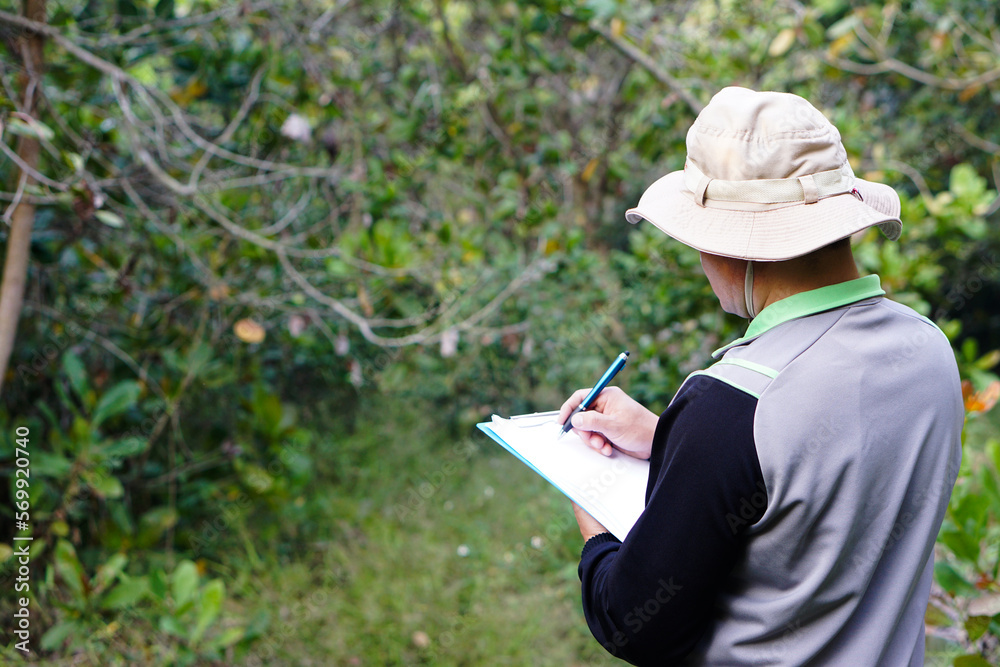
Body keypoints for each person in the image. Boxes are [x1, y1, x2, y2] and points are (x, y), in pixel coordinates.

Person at [556, 87, 963, 666]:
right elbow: (814, 465)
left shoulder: (730, 406)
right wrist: (670, 439)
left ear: (735, 247)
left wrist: (591, 509)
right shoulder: (927, 350)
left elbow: (633, 624)